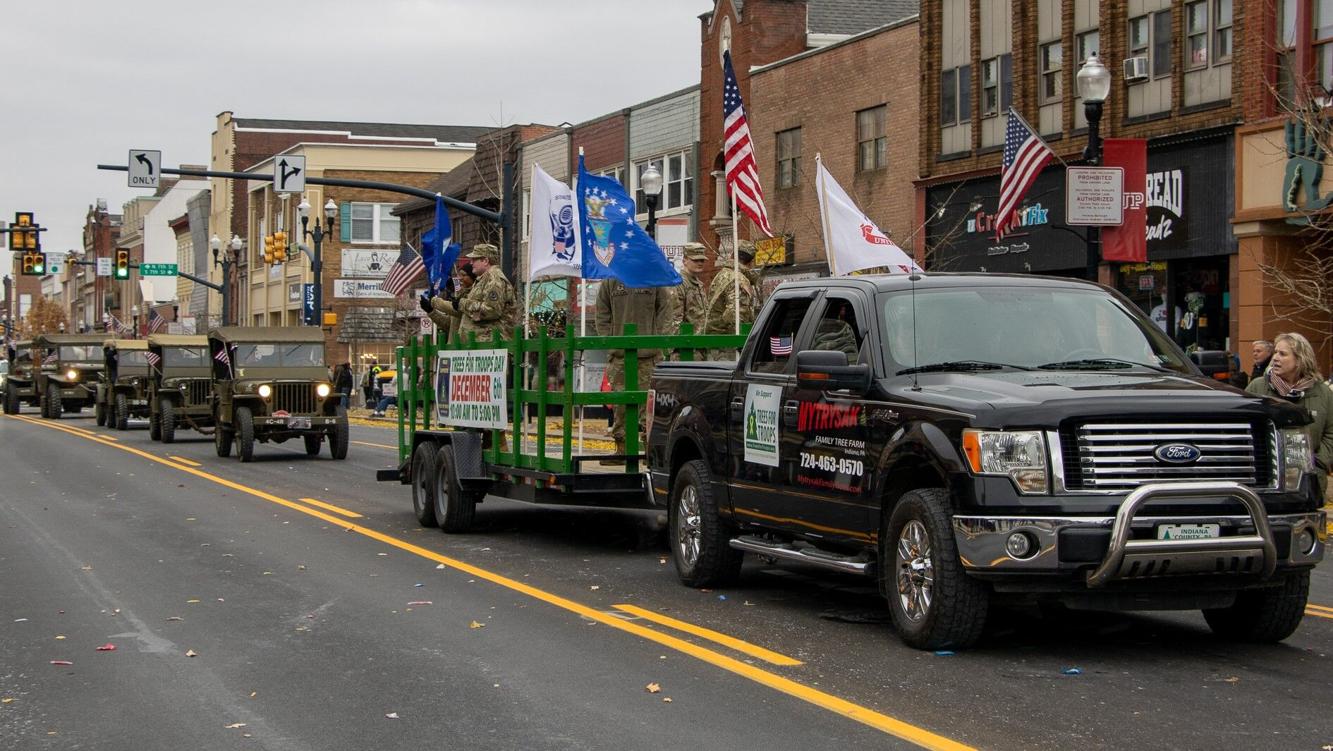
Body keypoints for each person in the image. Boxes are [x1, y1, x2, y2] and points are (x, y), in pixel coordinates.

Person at [595, 275, 675, 461]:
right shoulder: (610, 280)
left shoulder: (654, 278)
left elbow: (666, 310)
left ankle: (651, 451)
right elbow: (602, 313)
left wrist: (662, 342)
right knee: (621, 406)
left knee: (649, 407)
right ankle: (621, 449)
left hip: (649, 356)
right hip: (620, 357)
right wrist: (610, 342)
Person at [1246, 332, 1333, 498]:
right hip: (1262, 480)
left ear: (1300, 360)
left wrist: (1317, 463)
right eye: (1275, 352)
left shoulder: (1322, 392)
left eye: (1283, 354)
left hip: (1309, 482)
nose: (1275, 358)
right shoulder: (1257, 388)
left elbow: (1331, 433)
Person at [428, 244, 516, 343]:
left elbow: (492, 310)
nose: (471, 263)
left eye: (474, 260)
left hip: (490, 344)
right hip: (482, 343)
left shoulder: (494, 280)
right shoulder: (483, 279)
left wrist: (462, 303)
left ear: (485, 261)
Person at [703, 240, 760, 359]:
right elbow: (737, 314)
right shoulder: (739, 279)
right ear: (750, 262)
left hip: (715, 341)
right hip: (729, 345)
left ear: (733, 255)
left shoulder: (722, 274)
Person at [672, 243, 711, 360]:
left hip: (700, 347)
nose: (700, 263)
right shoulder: (679, 284)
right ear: (685, 261)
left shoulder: (698, 284)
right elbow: (675, 319)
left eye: (702, 260)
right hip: (686, 349)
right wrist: (681, 346)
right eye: (695, 260)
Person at [423, 263, 477, 345]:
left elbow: (458, 311)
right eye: (459, 275)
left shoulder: (475, 295)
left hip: (467, 347)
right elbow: (448, 324)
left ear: (472, 277)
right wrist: (431, 311)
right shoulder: (459, 294)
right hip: (453, 348)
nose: (460, 278)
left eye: (464, 275)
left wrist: (434, 301)